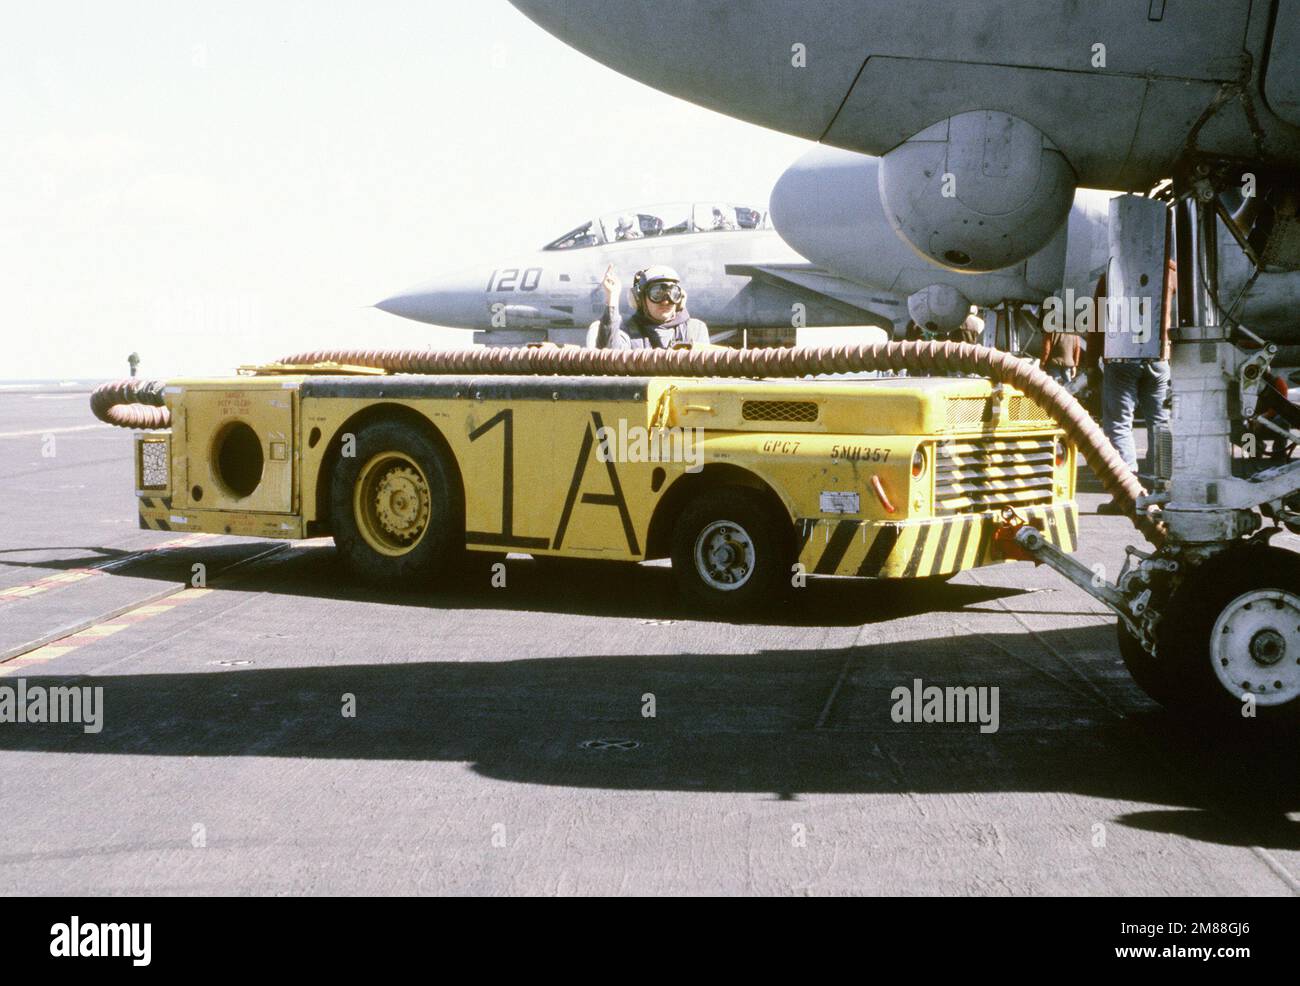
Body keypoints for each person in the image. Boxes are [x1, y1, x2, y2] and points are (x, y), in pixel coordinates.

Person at [1097, 262, 1173, 515]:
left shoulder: (1112, 273)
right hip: (1159, 356)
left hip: (1122, 355)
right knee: (1160, 422)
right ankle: (1163, 488)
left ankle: (1128, 493)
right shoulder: (1172, 273)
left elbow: (1098, 318)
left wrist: (1091, 362)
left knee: (1119, 424)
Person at [592, 264, 710, 349]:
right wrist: (612, 298)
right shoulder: (628, 330)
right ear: (640, 300)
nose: (666, 301)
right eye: (656, 294)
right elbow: (608, 355)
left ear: (680, 298)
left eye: (673, 293)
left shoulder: (695, 329)